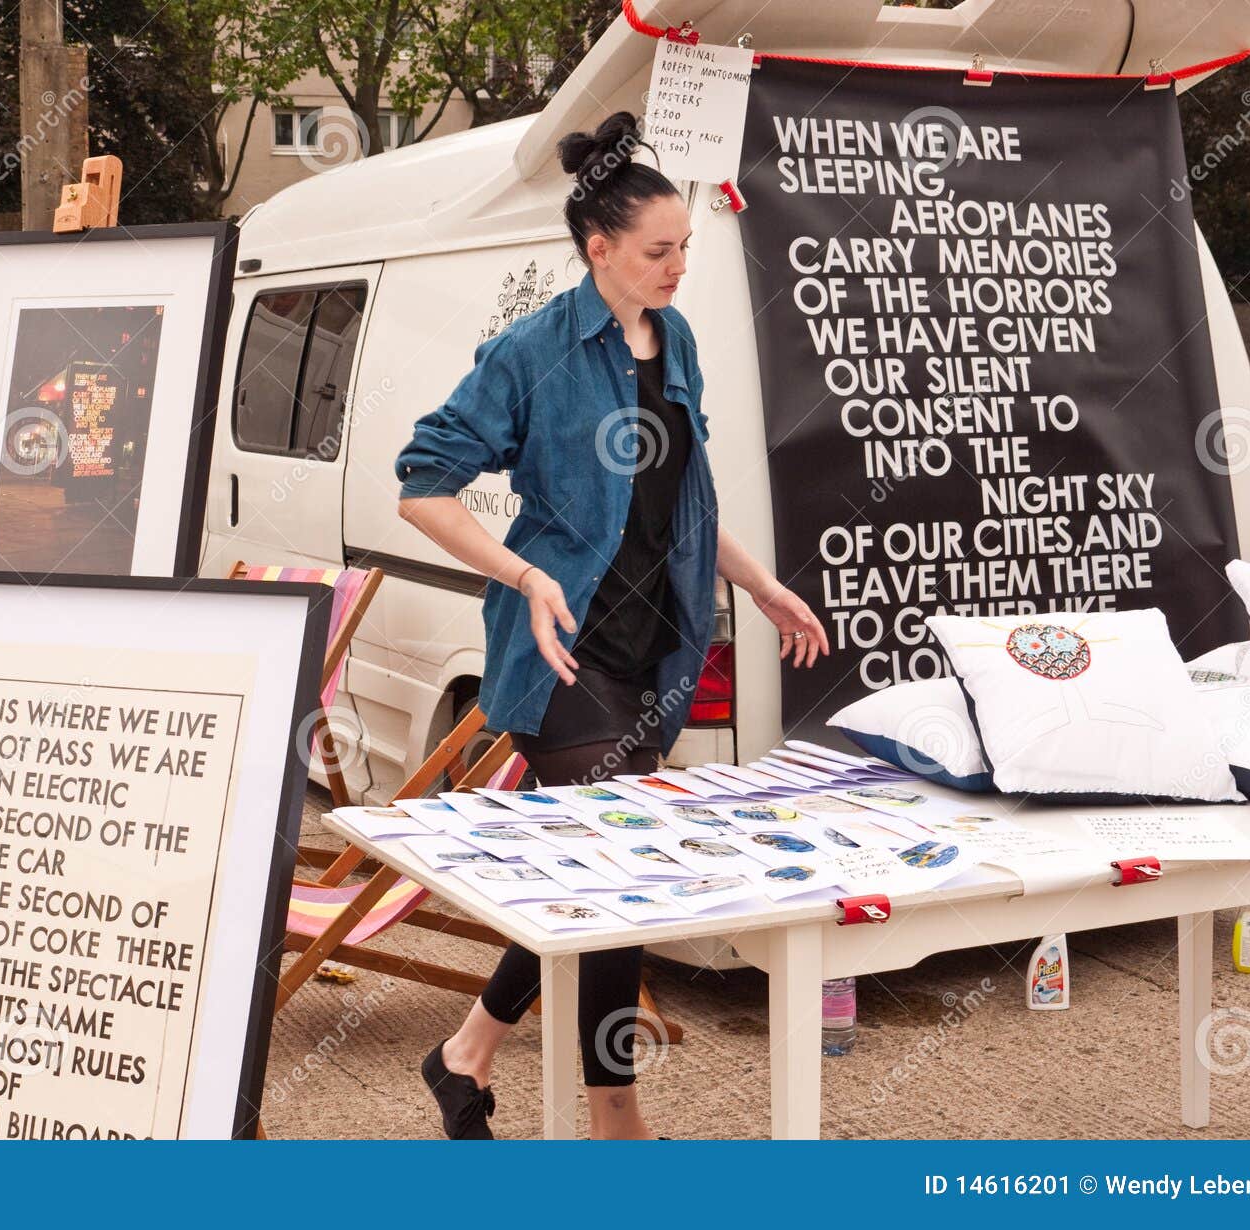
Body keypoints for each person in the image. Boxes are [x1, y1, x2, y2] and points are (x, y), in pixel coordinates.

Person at [392, 111, 830, 1140]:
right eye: (658, 251)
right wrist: (521, 570)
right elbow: (424, 484)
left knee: (591, 882)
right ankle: (613, 1120)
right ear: (600, 251)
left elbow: (689, 497)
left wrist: (760, 586)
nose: (679, 266)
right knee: (625, 881)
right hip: (563, 653)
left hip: (657, 647)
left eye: (685, 247)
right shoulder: (530, 353)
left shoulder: (670, 338)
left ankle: (462, 1057)